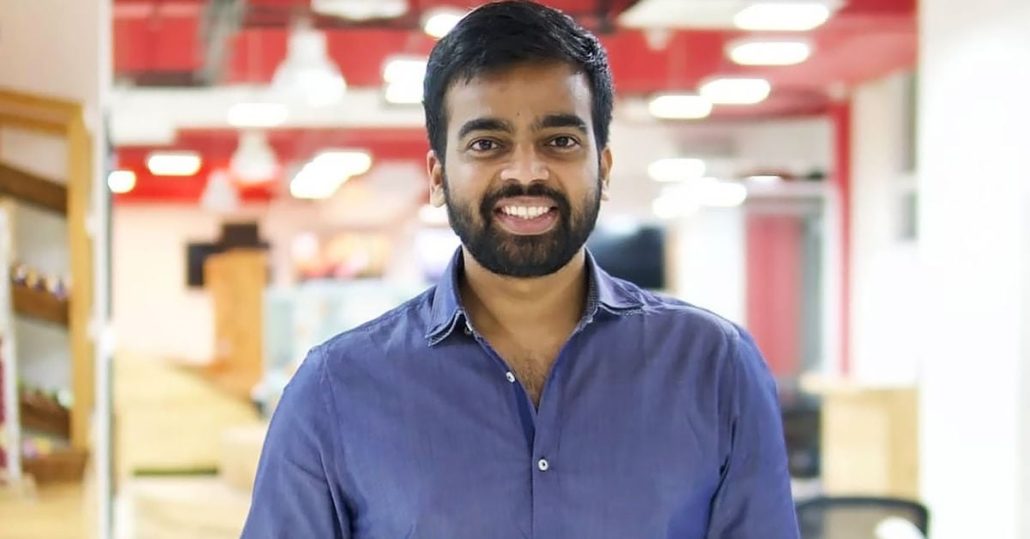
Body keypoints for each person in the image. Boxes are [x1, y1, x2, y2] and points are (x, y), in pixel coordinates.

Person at [242, 1, 799, 537]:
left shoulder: (714, 368)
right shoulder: (335, 390)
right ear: (438, 177)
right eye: (487, 144)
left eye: (560, 141)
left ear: (603, 168)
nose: (526, 172)